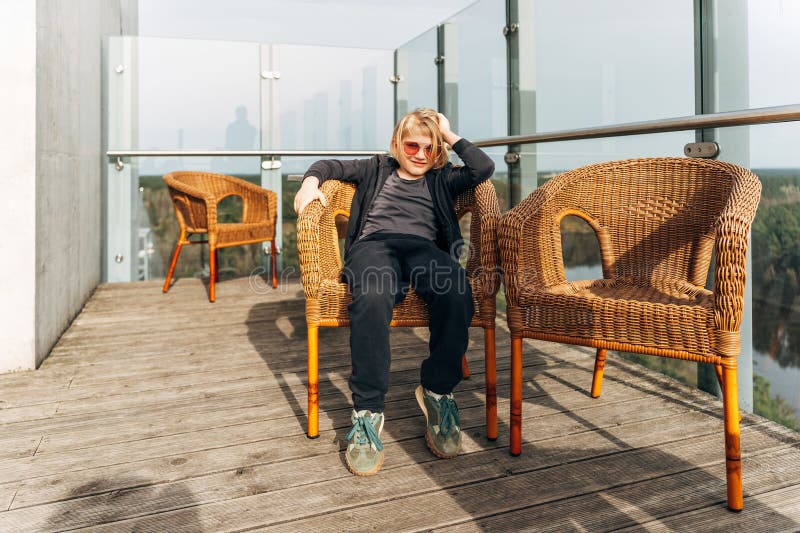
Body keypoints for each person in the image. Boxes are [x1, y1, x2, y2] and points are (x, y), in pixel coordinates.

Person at [294, 108, 494, 476]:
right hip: (374, 246)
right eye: (412, 144)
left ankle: (436, 392)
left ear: (437, 153)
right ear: (396, 144)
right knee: (370, 293)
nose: (419, 153)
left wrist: (448, 134)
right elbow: (328, 166)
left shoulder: (442, 178)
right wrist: (310, 184)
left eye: (428, 147)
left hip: (425, 249)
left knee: (456, 291)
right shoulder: (375, 168)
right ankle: (367, 411)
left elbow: (483, 168)